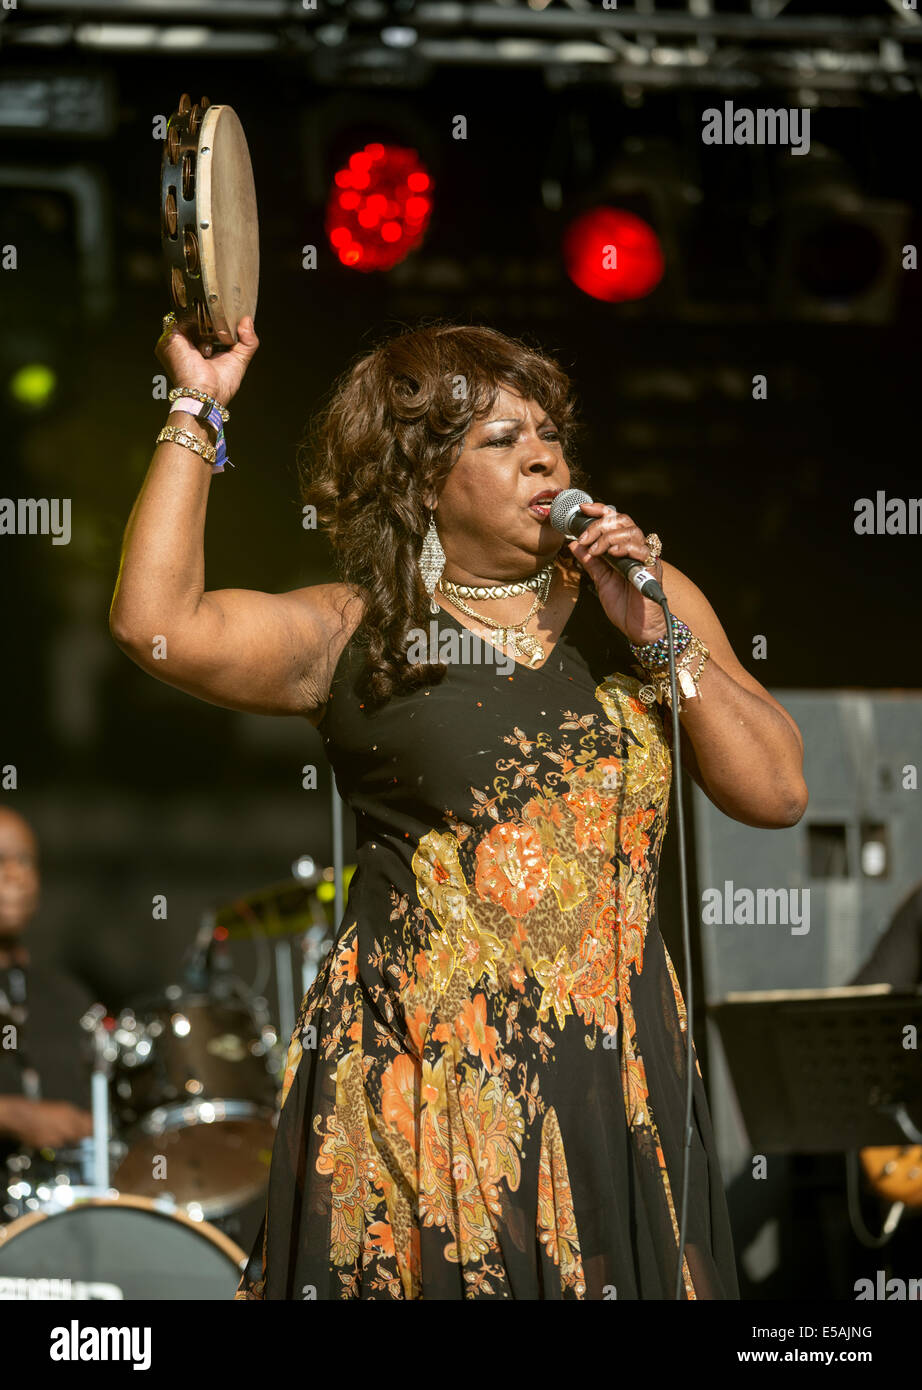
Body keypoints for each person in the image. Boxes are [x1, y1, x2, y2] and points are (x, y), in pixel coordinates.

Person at [109, 314, 808, 1300]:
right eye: (502, 439)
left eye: (549, 434)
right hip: (422, 1088)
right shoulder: (352, 630)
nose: (543, 456)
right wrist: (197, 403)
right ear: (425, 481)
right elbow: (156, 626)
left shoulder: (641, 603)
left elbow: (777, 791)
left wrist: (656, 635)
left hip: (612, 1085)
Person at [0, 808, 94, 1172]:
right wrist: (11, 1114)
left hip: (63, 1200)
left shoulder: (68, 998)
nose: (15, 874)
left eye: (25, 861)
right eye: (0, 861)